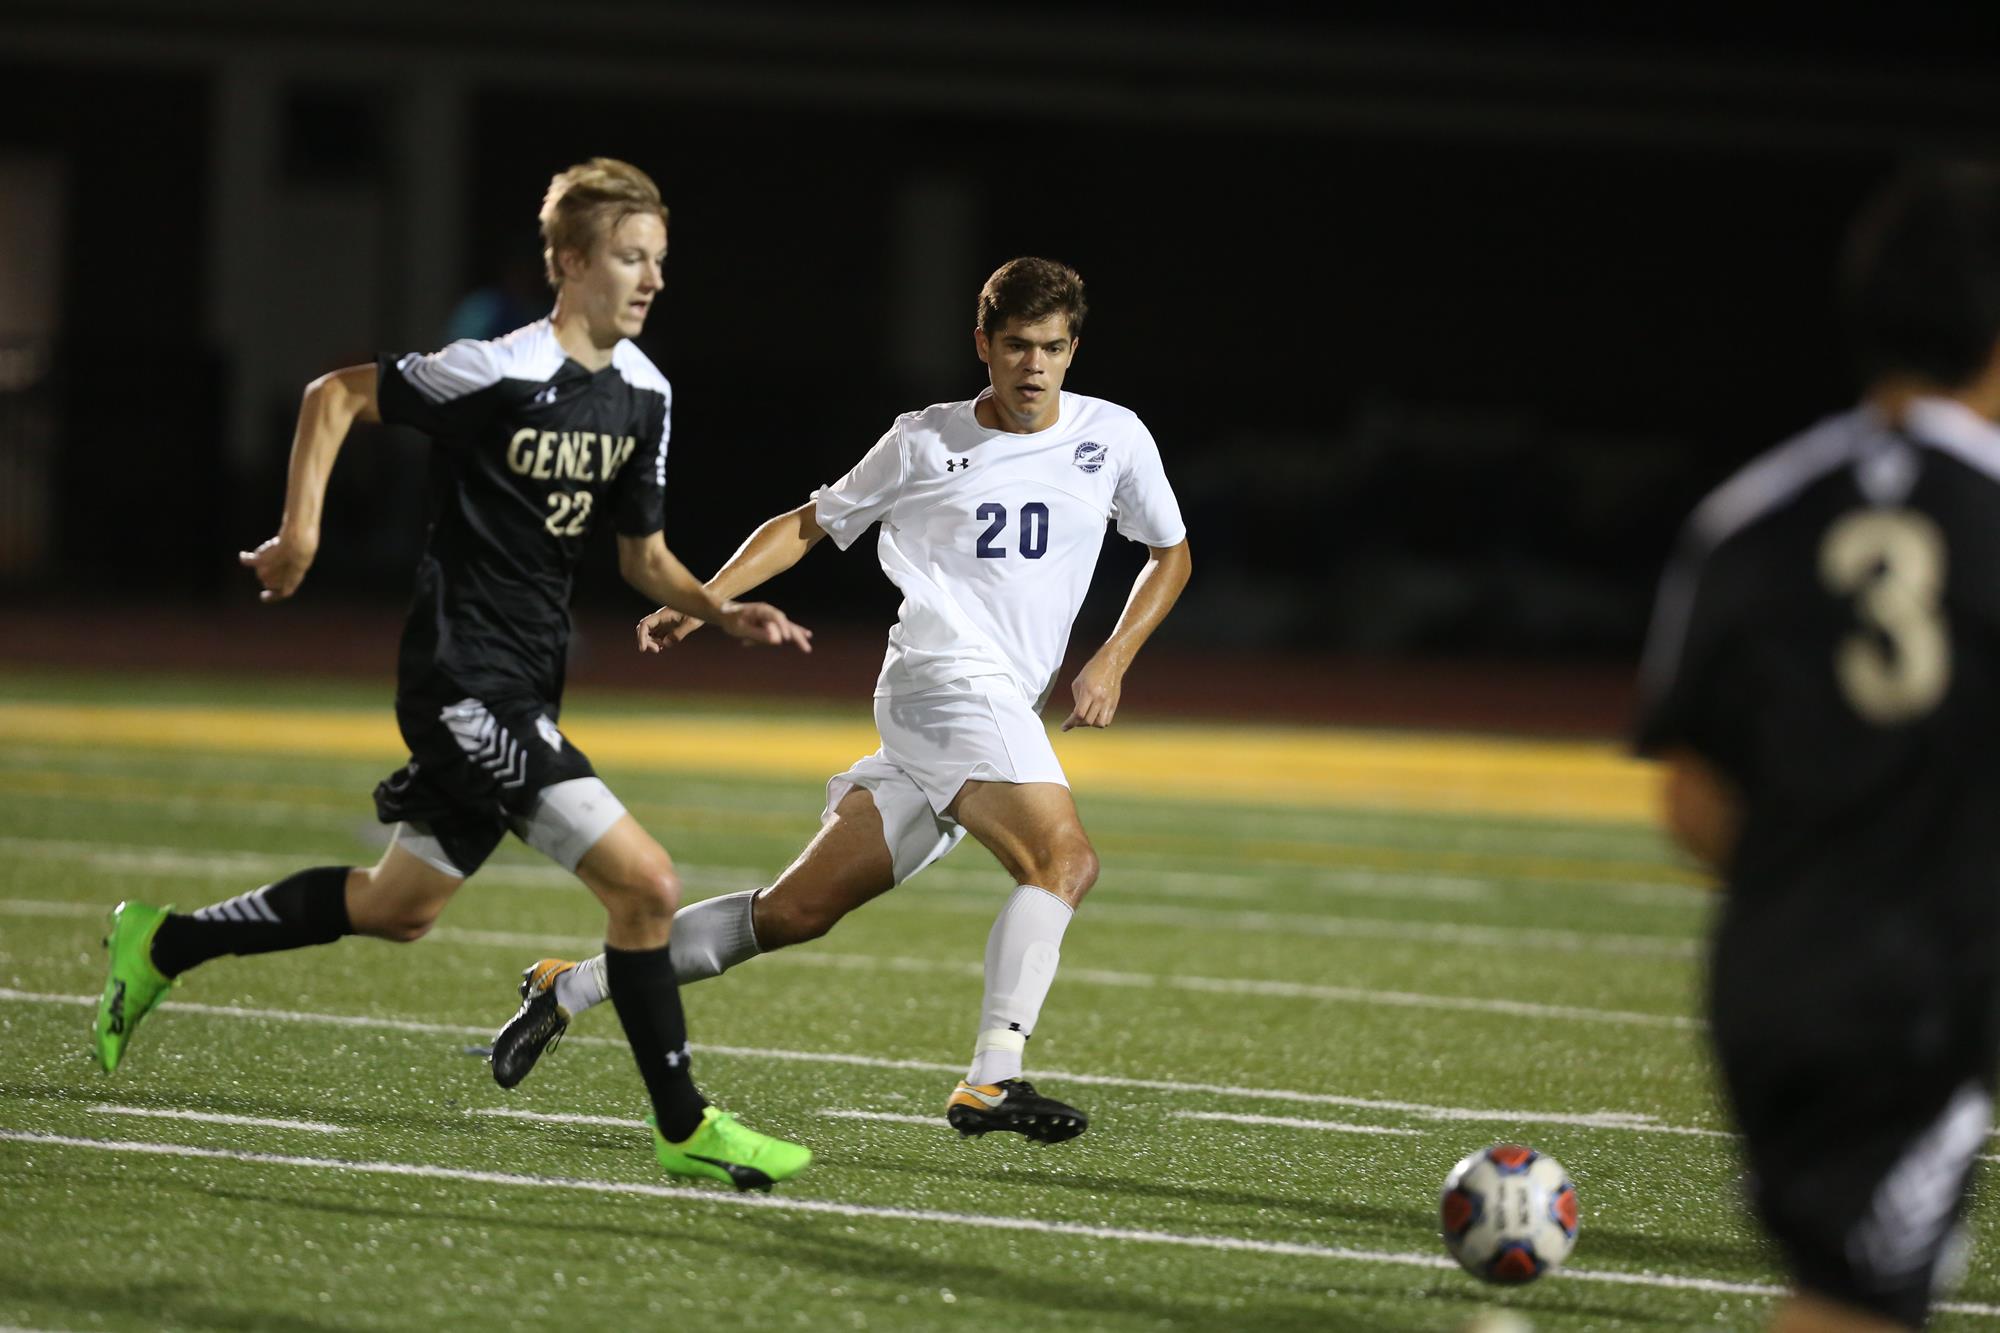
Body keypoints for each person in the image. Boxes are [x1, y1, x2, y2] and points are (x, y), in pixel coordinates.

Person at [93, 157, 816, 1193]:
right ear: (569, 262)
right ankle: (683, 1122)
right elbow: (334, 394)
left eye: (659, 260)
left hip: (527, 678)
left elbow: (639, 557)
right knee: (647, 882)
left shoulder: (645, 393)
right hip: (462, 678)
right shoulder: (497, 370)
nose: (650, 279)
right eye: (627, 257)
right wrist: (299, 534)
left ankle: (161, 943)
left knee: (399, 905)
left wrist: (716, 608)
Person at [489, 257, 1192, 1141]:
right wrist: (705, 599)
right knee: (1064, 863)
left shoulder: (1115, 436)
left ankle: (572, 984)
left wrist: (1114, 657)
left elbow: (1171, 552)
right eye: (1017, 346)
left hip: (987, 703)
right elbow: (804, 523)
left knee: (790, 912)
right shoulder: (923, 439)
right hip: (944, 682)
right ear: (984, 344)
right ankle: (994, 1075)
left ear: (1073, 349)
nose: (1034, 367)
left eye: (1052, 348)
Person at [1637, 163, 2000, 1331]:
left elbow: (1691, 801)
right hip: (1925, 995)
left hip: (1772, 987)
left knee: (1847, 1286)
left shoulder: (1747, 514)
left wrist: (1817, 883)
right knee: (1857, 1305)